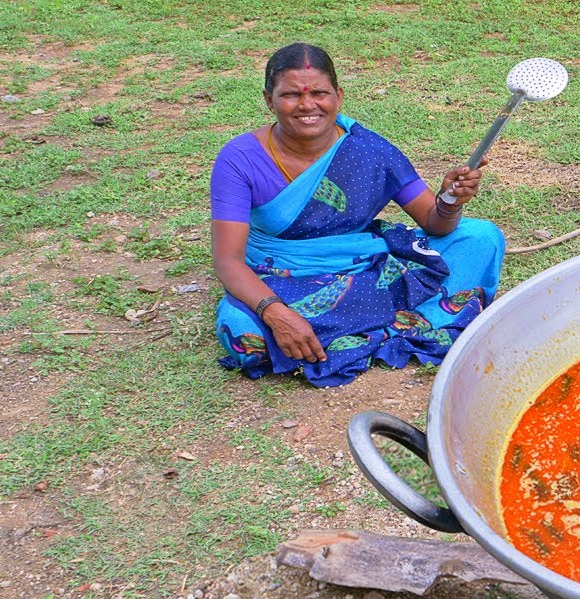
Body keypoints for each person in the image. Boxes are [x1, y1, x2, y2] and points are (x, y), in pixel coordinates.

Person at [210, 42, 505, 387]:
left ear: (338, 96)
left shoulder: (369, 150)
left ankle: (346, 332)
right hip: (281, 277)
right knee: (245, 334)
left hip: (367, 270)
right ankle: (401, 323)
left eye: (319, 93)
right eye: (290, 95)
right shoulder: (240, 158)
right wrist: (275, 313)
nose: (307, 105)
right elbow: (228, 262)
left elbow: (433, 222)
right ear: (268, 100)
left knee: (479, 238)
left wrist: (451, 200)